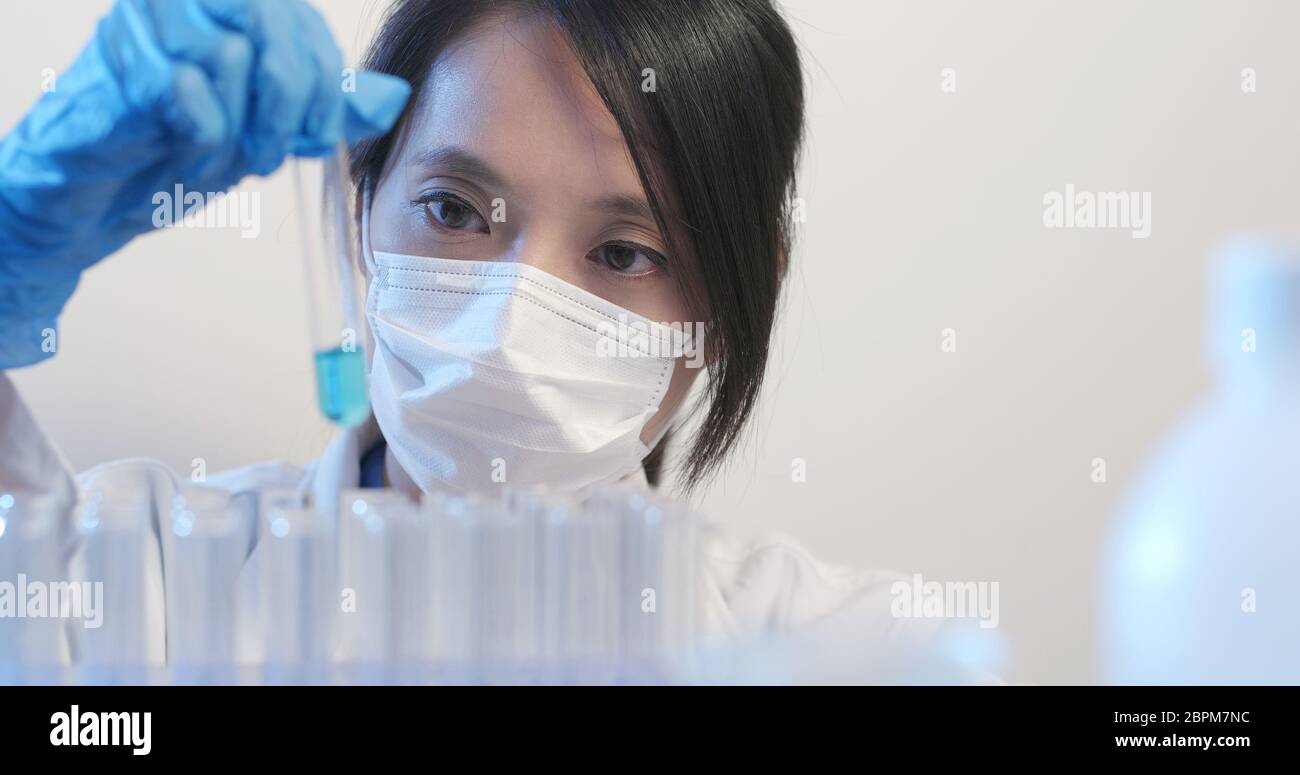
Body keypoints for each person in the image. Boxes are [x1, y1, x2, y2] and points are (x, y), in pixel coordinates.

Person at [0, 0, 988, 675]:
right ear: (359, 211)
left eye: (624, 252)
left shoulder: (845, 649)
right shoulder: (129, 578)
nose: (509, 317)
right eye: (455, 209)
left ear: (728, 308)